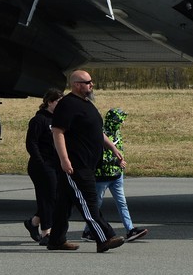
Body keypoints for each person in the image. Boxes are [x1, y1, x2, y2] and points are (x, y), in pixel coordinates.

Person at [46, 69, 126, 252]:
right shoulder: (67, 104)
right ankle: (104, 238)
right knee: (88, 202)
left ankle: (56, 240)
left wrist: (113, 148)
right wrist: (64, 160)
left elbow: (96, 132)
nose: (91, 85)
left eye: (91, 82)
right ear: (76, 85)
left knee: (63, 205)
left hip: (88, 164)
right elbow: (57, 132)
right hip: (75, 165)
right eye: (87, 82)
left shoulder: (86, 104)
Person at [83, 108, 148, 243]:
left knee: (122, 202)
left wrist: (121, 161)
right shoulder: (100, 133)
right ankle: (88, 230)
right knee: (97, 204)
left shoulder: (117, 133)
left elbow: (119, 151)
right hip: (102, 176)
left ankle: (130, 230)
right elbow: (100, 154)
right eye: (120, 121)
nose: (122, 124)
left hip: (117, 175)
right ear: (114, 121)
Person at [24, 88, 63, 245]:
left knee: (54, 197)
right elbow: (31, 143)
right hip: (41, 165)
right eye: (58, 103)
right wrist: (40, 161)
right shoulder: (39, 120)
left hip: (55, 164)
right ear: (50, 102)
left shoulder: (59, 120)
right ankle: (46, 232)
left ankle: (33, 222)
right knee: (48, 197)